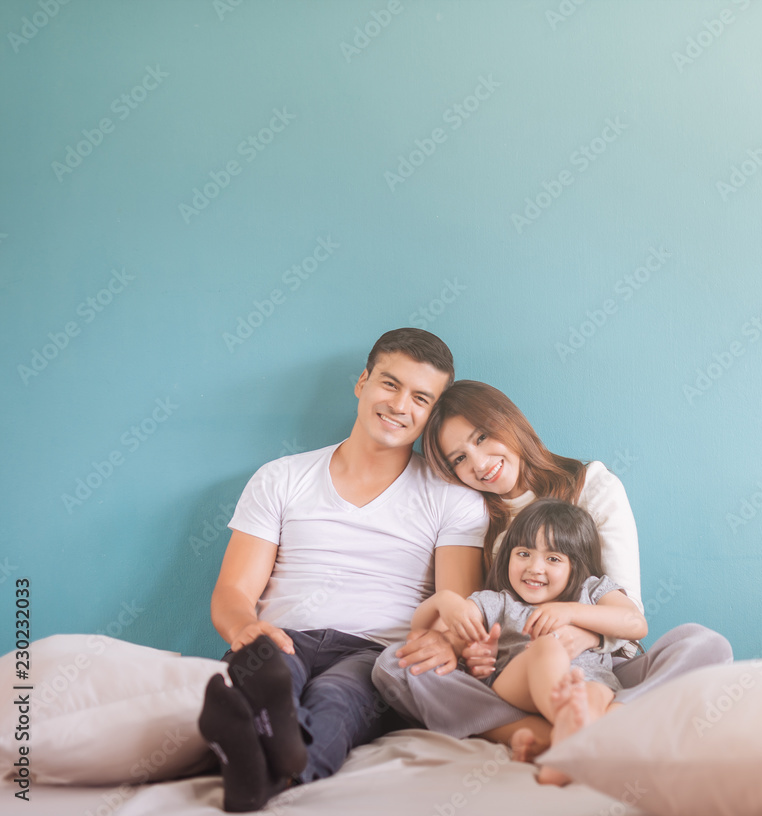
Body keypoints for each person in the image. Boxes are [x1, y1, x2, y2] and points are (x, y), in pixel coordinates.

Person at [197, 329, 489, 812]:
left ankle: (265, 764)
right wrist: (245, 628)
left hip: (375, 654)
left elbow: (456, 607)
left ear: (432, 413)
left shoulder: (454, 499)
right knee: (271, 669)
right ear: (362, 382)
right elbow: (232, 590)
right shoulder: (281, 477)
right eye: (390, 384)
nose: (400, 405)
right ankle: (270, 745)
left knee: (337, 698)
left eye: (421, 398)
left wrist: (444, 642)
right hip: (282, 638)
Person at [373, 380, 733, 758]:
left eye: (481, 437)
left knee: (704, 644)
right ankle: (559, 734)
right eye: (459, 459)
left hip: (603, 666)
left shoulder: (592, 485)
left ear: (509, 422)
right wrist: (466, 649)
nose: (478, 463)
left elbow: (630, 617)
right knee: (396, 665)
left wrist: (580, 633)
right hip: (517, 673)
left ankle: (598, 723)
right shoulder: (474, 517)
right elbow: (473, 622)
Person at [415, 498, 648, 784]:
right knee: (547, 645)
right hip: (519, 683)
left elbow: (635, 624)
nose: (535, 568)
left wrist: (571, 611)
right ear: (508, 556)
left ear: (576, 565)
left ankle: (559, 750)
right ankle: (565, 721)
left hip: (590, 680)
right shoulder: (496, 602)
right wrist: (442, 601)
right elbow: (427, 636)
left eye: (553, 559)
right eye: (524, 553)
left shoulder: (592, 590)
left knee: (591, 699)